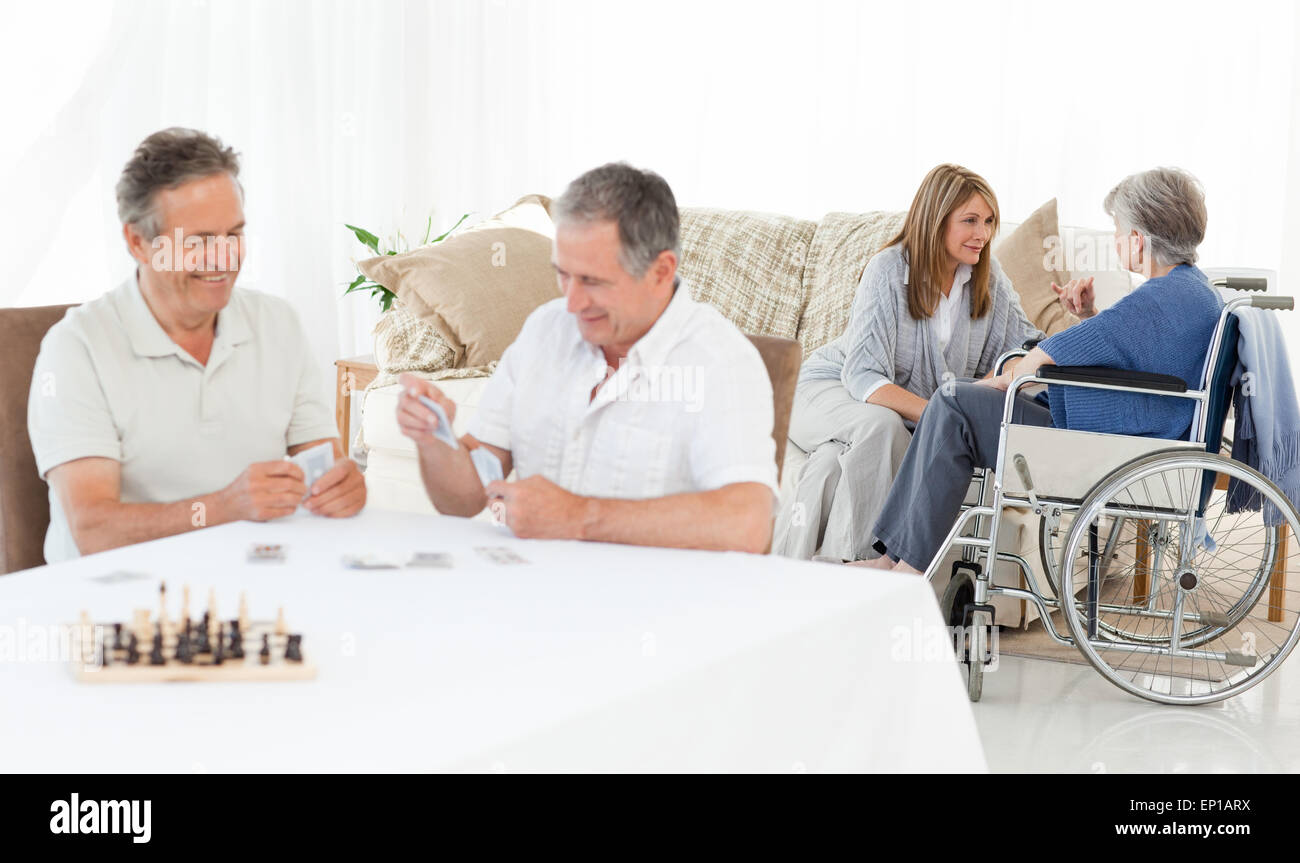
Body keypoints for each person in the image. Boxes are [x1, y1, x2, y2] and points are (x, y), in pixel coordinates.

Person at [396, 162, 777, 552]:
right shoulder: (546, 329)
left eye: (593, 281)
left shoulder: (719, 360)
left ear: (661, 271)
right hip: (537, 592)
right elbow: (462, 500)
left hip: (655, 604)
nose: (572, 303)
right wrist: (433, 439)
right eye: (564, 275)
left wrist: (579, 517)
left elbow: (746, 525)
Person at [28, 128, 365, 563]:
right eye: (200, 241)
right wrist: (223, 507)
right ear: (138, 243)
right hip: (117, 597)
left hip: (246, 579)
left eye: (234, 234)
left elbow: (326, 466)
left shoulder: (277, 324)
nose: (225, 258)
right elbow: (94, 529)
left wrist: (344, 487)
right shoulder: (76, 349)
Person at [866, 166, 1223, 575]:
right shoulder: (1191, 290)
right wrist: (1087, 315)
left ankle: (902, 567)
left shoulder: (1160, 297)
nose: (1115, 239)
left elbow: (1046, 357)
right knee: (958, 401)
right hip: (1127, 438)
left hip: (1105, 451)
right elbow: (1128, 346)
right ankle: (894, 560)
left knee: (954, 403)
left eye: (1118, 229)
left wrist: (1008, 379)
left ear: (1137, 241)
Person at [773, 164, 1042, 561]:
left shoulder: (988, 277)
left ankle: (808, 577)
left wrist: (984, 384)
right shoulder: (888, 269)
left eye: (988, 221)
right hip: (828, 386)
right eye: (969, 220)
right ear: (936, 220)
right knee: (881, 428)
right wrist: (944, 411)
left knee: (832, 465)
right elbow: (863, 375)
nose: (982, 234)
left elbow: (1027, 346)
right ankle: (858, 568)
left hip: (887, 407)